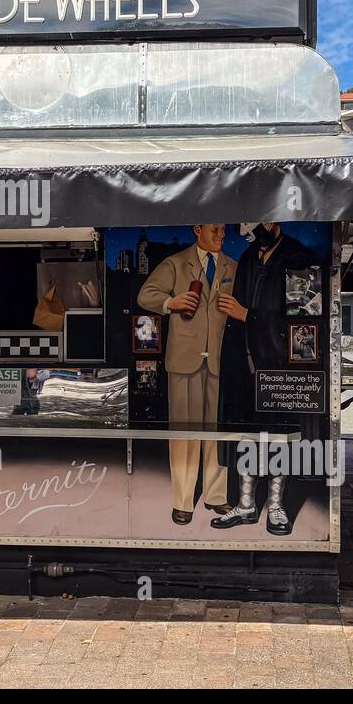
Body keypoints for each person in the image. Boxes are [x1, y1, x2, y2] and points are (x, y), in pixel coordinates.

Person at [213, 222, 326, 536]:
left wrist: (248, 315)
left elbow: (305, 319)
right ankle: (246, 504)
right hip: (246, 369)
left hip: (282, 373)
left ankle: (276, 506)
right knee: (248, 437)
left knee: (278, 439)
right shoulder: (250, 258)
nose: (249, 229)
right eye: (245, 224)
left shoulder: (299, 258)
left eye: (255, 221)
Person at [137, 223, 238, 524]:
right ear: (197, 229)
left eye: (224, 230)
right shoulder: (176, 264)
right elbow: (146, 295)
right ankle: (183, 501)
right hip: (184, 361)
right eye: (216, 229)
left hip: (221, 360)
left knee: (217, 430)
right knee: (183, 433)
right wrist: (170, 303)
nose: (222, 235)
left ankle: (216, 496)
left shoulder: (233, 266)